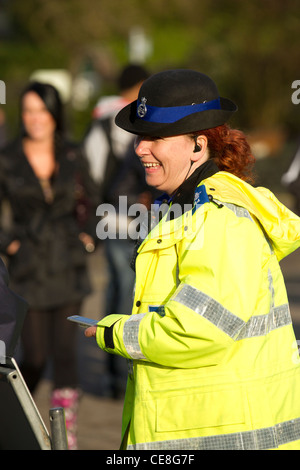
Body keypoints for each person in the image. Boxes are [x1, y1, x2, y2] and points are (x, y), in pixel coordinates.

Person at [85, 69, 300, 450]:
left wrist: (117, 332)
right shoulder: (184, 207)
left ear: (199, 145)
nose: (139, 149)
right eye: (139, 137)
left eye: (155, 138)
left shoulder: (218, 218)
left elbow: (197, 329)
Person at [0, 81, 98, 449]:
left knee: (66, 352)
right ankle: (18, 415)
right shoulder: (7, 156)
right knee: (35, 355)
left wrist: (90, 235)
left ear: (55, 114)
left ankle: (65, 433)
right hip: (28, 267)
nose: (35, 118)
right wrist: (7, 240)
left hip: (68, 262)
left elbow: (94, 195)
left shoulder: (73, 153)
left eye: (42, 110)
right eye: (28, 110)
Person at [84, 64, 150, 398]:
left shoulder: (117, 118)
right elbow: (93, 174)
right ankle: (118, 370)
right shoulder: (111, 119)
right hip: (119, 221)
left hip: (133, 219)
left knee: (128, 290)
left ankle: (120, 369)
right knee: (125, 291)